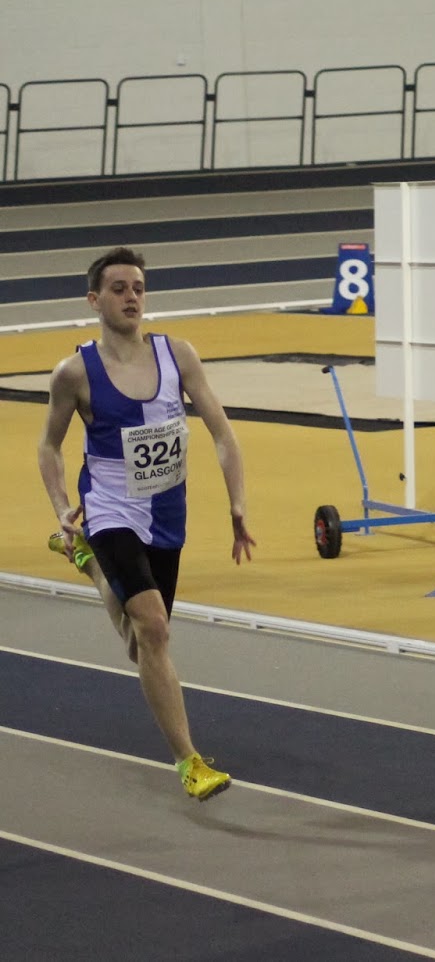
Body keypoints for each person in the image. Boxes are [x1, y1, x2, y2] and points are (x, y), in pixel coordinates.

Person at [37, 247, 255, 802]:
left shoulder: (178, 356)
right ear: (94, 300)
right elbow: (49, 446)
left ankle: (89, 564)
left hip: (166, 513)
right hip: (109, 508)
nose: (131, 297)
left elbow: (223, 433)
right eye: (119, 289)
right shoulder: (74, 373)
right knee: (154, 628)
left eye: (138, 287)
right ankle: (189, 762)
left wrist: (237, 504)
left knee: (141, 646)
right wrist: (62, 506)